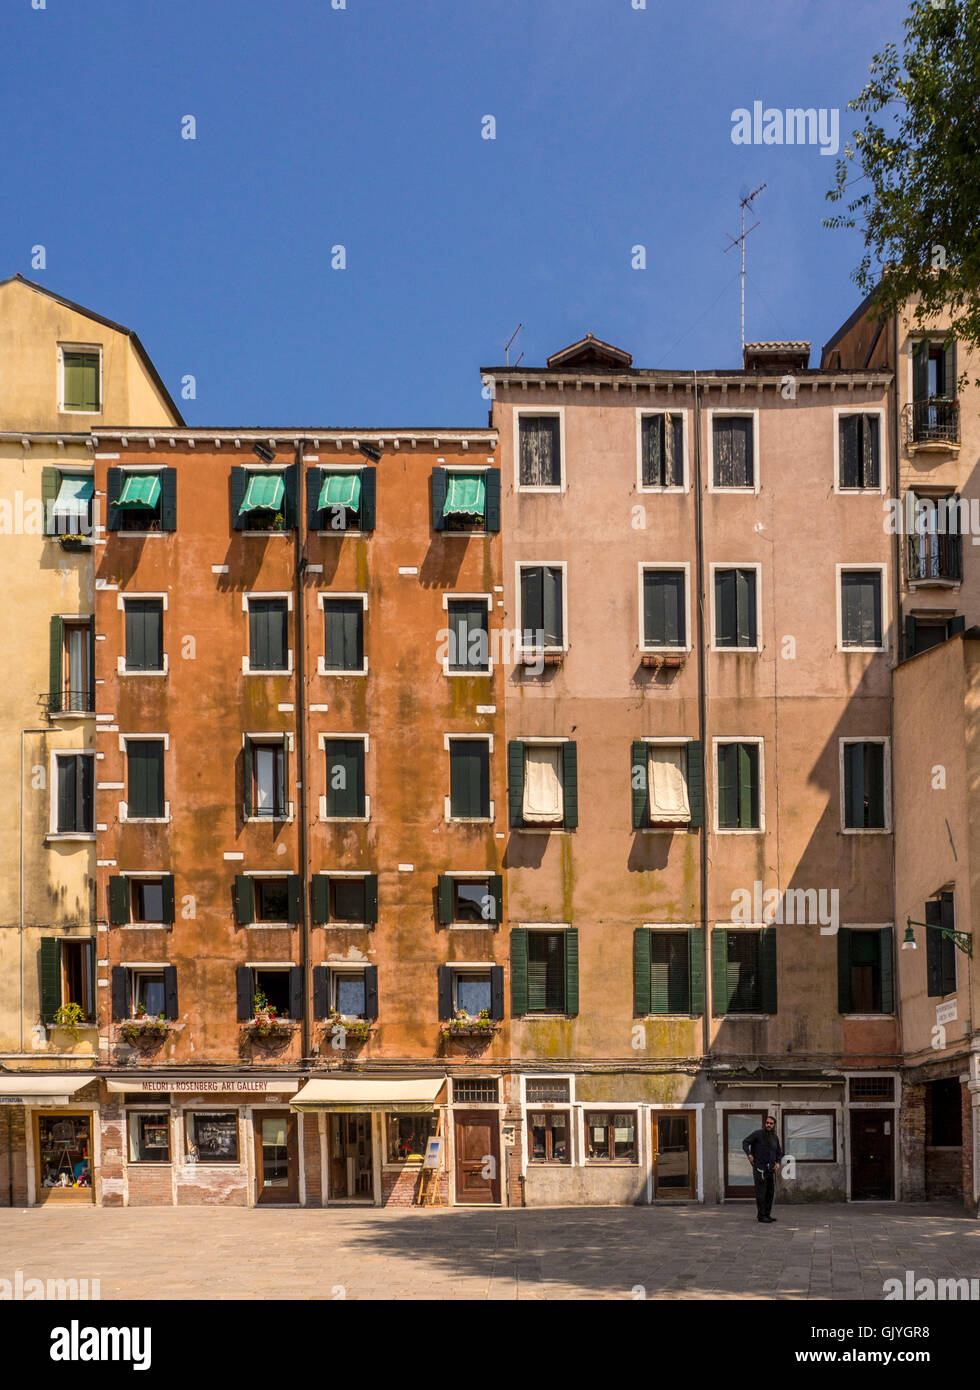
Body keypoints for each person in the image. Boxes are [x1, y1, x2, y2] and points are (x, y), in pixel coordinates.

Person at [742, 1115, 782, 1223]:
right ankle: (761, 1216)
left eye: (771, 1123)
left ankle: (767, 1215)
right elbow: (745, 1142)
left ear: (774, 1125)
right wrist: (749, 1155)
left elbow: (779, 1152)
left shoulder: (775, 1137)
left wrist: (778, 1162)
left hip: (770, 1170)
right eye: (767, 1123)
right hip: (760, 1169)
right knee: (761, 1193)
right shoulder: (758, 1134)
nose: (768, 1125)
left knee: (770, 1193)